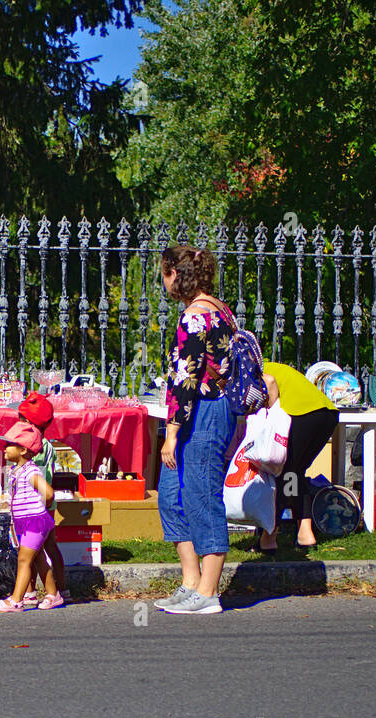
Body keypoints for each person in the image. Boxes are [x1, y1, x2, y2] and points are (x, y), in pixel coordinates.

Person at [154, 245, 235, 616]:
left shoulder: (194, 317)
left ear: (177, 274)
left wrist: (171, 432)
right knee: (171, 496)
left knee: (202, 495)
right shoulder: (220, 310)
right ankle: (191, 582)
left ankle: (209, 591)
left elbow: (185, 379)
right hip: (204, 411)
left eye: (165, 274)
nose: (163, 281)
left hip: (202, 412)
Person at [258, 361, 338, 551]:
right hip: (327, 414)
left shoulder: (253, 370)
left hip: (302, 415)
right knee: (294, 473)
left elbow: (269, 387)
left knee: (285, 475)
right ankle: (305, 534)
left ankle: (269, 537)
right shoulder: (272, 365)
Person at [0, 422, 62, 610]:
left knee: (23, 559)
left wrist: (38, 510)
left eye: (8, 445)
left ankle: (16, 600)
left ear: (22, 450)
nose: (4, 448)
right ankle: (54, 595)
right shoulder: (15, 471)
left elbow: (49, 493)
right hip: (26, 521)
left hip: (35, 521)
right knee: (37, 559)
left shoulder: (31, 471)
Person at [15, 390, 68, 602]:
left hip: (35, 505)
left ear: (28, 422)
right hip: (48, 504)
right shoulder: (48, 446)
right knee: (50, 547)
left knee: (30, 550)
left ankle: (30, 590)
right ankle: (63, 587)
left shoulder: (31, 448)